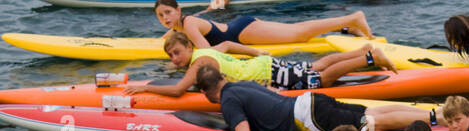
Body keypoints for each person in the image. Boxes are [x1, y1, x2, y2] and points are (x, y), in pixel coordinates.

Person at [194, 67, 431, 131]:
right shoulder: (242, 84)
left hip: (309, 118)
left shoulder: (228, 100)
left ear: (205, 91)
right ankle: (430, 114)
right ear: (222, 77)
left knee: (370, 124)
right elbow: (273, 92)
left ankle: (433, 120)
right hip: (310, 100)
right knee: (370, 113)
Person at [125, 29, 394, 98]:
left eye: (176, 52)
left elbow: (177, 91)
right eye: (170, 55)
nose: (175, 58)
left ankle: (369, 58)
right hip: (267, 66)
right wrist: (257, 53)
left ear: (189, 47)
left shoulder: (200, 63)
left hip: (268, 75)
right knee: (315, 67)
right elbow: (229, 45)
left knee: (320, 80)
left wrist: (146, 88)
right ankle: (363, 50)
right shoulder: (207, 51)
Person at [154, 0, 375, 51]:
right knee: (299, 28)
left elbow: (208, 53)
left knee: (300, 34)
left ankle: (353, 18)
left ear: (179, 10)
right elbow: (170, 31)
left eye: (168, 12)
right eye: (161, 15)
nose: (165, 18)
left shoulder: (189, 24)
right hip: (244, 27)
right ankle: (344, 28)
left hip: (244, 34)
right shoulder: (179, 26)